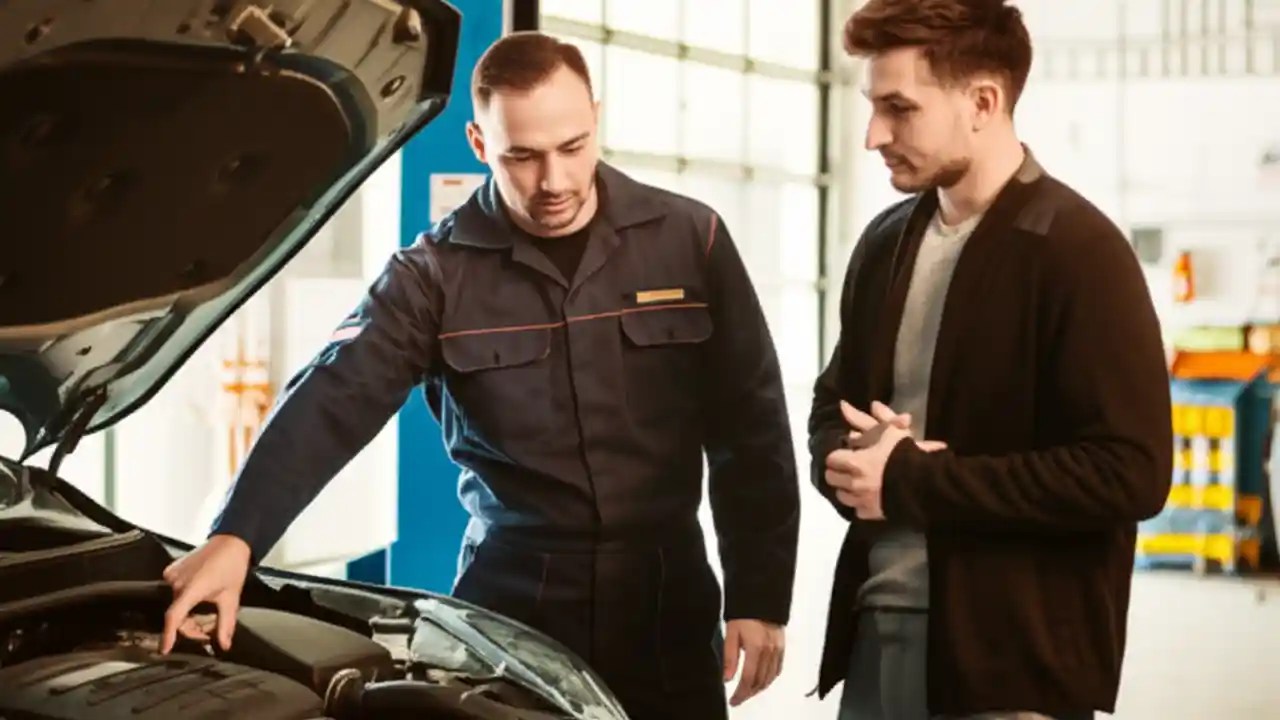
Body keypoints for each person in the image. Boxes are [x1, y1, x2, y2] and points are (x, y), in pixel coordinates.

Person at [159, 31, 799, 720]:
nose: (552, 180)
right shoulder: (433, 275)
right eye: (521, 156)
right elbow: (334, 395)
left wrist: (760, 596)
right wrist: (237, 536)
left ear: (596, 119)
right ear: (477, 142)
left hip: (665, 595)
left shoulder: (689, 239)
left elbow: (750, 424)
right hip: (514, 605)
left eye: (572, 147)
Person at [808, 1, 1172, 719]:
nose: (874, 135)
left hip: (1010, 668)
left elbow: (1131, 472)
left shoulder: (1079, 252)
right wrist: (846, 462)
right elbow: (832, 402)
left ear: (983, 102)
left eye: (899, 108)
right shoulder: (885, 243)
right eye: (872, 106)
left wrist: (915, 480)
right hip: (873, 635)